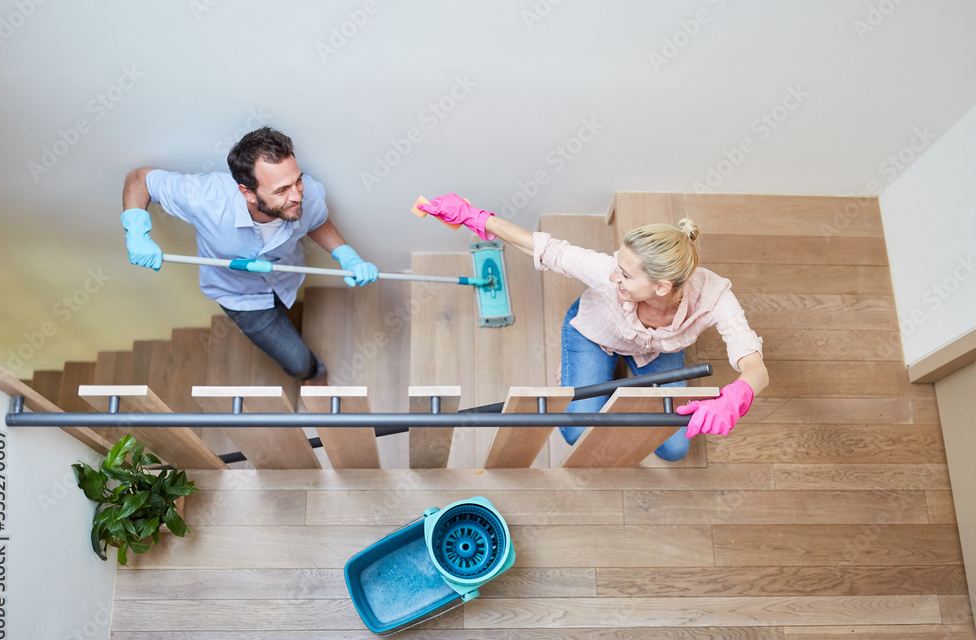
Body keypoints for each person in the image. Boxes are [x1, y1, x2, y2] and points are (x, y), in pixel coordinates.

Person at [417, 193, 768, 461]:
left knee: (675, 449)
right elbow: (547, 249)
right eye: (618, 265)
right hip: (594, 336)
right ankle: (581, 367)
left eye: (625, 275)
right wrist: (475, 216)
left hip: (655, 354)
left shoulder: (714, 297)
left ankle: (610, 380)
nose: (614, 276)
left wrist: (739, 395)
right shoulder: (607, 274)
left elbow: (755, 366)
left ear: (661, 287)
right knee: (575, 433)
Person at [120, 126, 378, 385]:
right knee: (299, 363)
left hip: (285, 279)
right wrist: (136, 231)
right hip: (240, 297)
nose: (297, 195)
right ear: (248, 193)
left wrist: (347, 256)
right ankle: (314, 375)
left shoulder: (308, 193)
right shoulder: (204, 198)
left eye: (297, 180)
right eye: (281, 190)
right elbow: (139, 179)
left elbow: (316, 220)